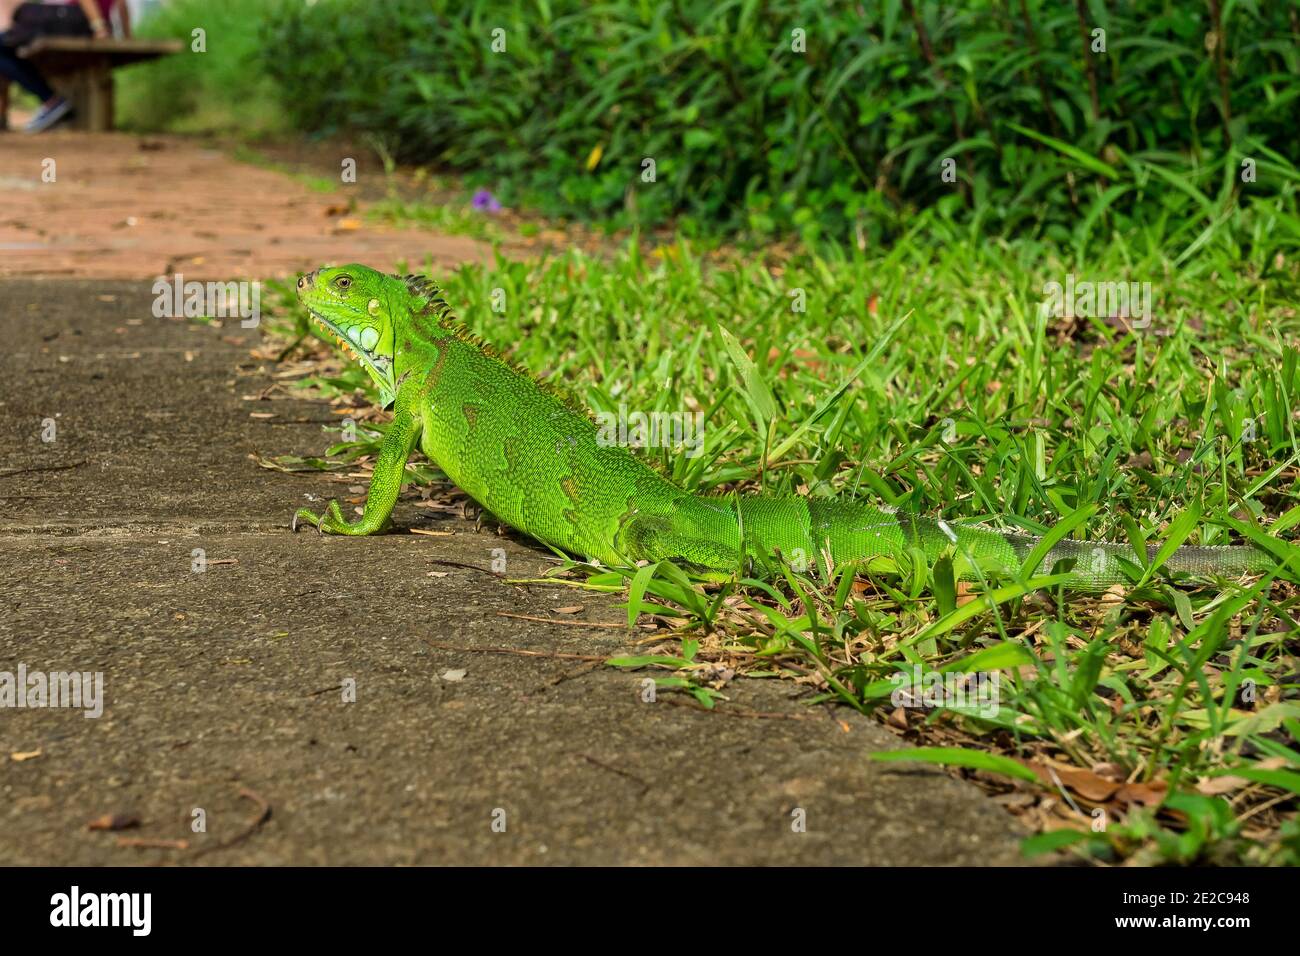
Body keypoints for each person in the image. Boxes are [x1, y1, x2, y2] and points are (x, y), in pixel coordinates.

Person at [0, 0, 122, 132]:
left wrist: (99, 27)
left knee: (9, 36)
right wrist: (126, 34)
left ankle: (51, 101)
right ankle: (50, 101)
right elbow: (122, 5)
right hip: (84, 21)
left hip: (79, 20)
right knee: (6, 42)